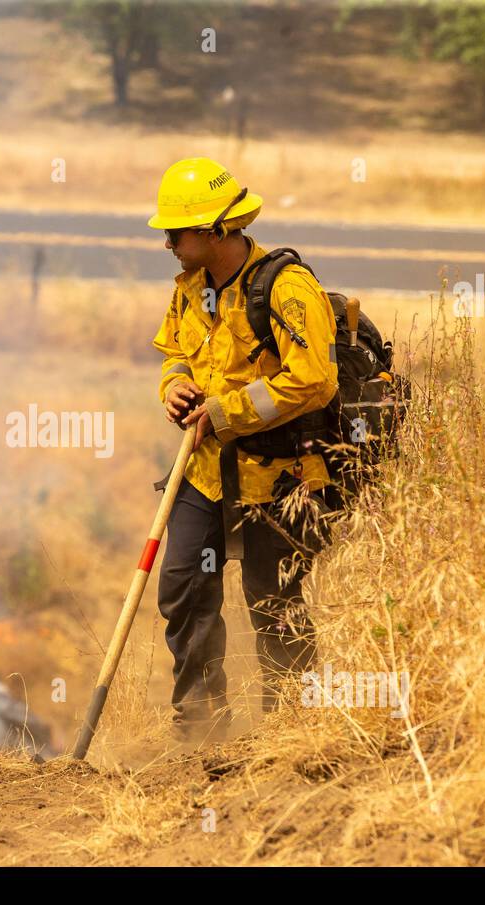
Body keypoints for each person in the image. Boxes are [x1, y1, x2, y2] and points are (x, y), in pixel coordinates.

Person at [148, 157, 338, 740]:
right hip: (205, 472)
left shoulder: (285, 287)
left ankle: (292, 733)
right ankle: (201, 727)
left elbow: (314, 380)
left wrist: (227, 411)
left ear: (213, 231)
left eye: (174, 234)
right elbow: (176, 353)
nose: (168, 245)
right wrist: (173, 386)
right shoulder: (190, 289)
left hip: (280, 477)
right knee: (183, 586)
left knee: (273, 602)